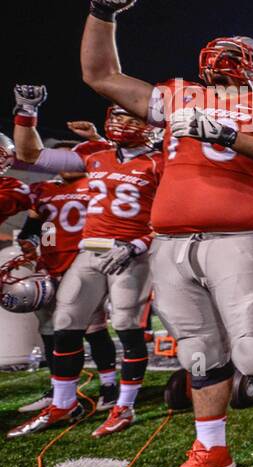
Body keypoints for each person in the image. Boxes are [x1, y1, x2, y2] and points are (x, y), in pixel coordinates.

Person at [79, 0, 253, 467]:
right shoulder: (178, 95)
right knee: (198, 352)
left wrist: (225, 134)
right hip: (171, 243)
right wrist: (102, 14)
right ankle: (212, 449)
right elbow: (100, 75)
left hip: (240, 238)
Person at [9, 91, 161, 438]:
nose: (122, 122)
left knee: (127, 325)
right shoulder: (94, 154)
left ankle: (124, 406)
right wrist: (26, 111)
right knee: (66, 322)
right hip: (90, 248)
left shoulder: (161, 162)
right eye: (118, 115)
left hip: (131, 253)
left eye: (132, 117)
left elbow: (175, 214)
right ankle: (64, 403)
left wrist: (139, 244)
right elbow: (31, 154)